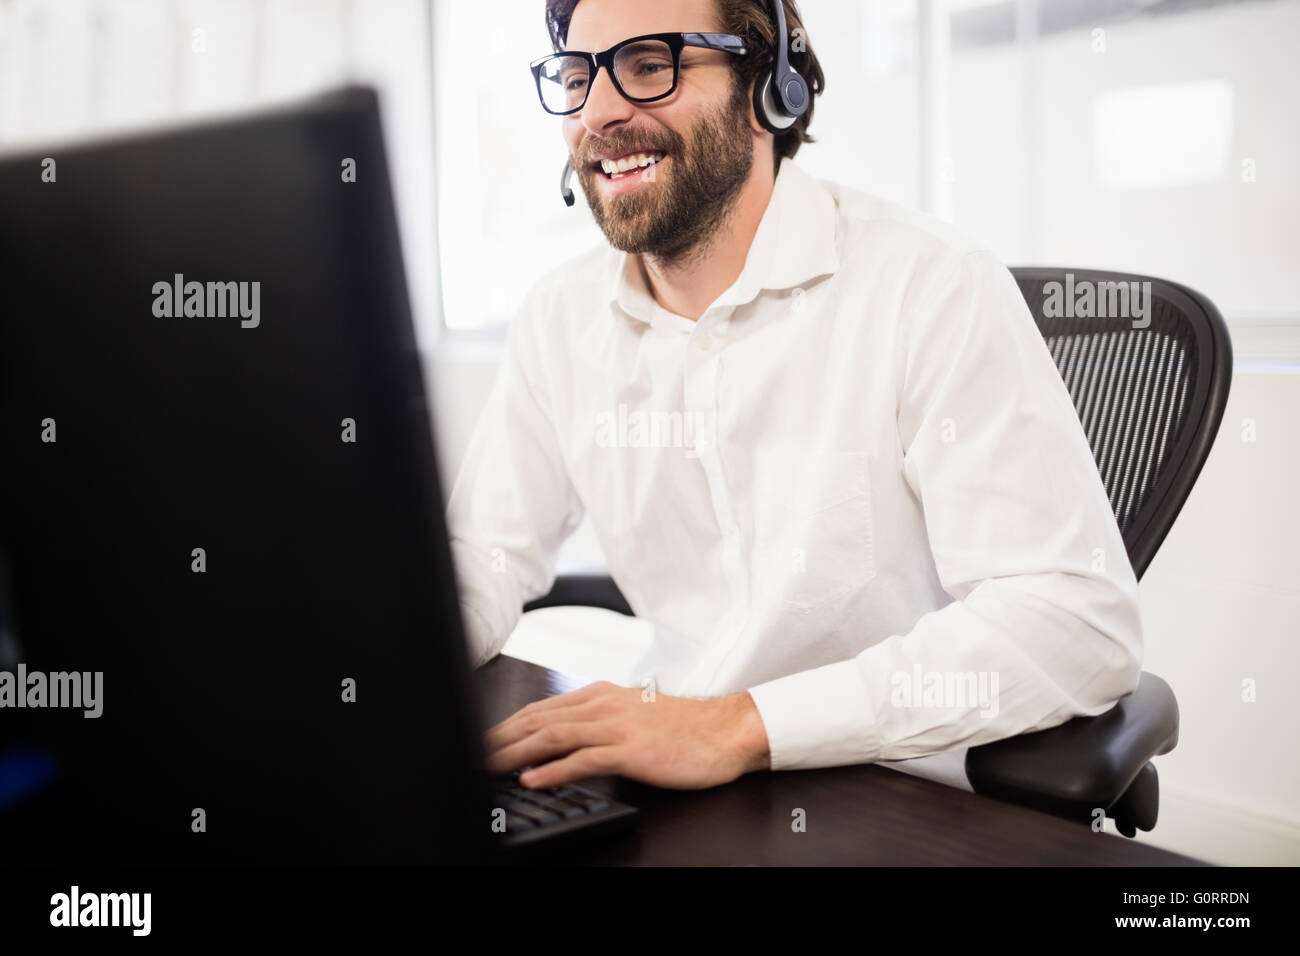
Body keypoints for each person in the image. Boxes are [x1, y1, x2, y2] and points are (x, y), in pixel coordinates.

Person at [447, 0, 1142, 791]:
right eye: (578, 77)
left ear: (769, 87)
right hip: (673, 767)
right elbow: (483, 553)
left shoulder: (928, 287)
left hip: (893, 785)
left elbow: (1077, 622)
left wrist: (741, 725)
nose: (600, 112)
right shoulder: (558, 318)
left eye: (649, 64)